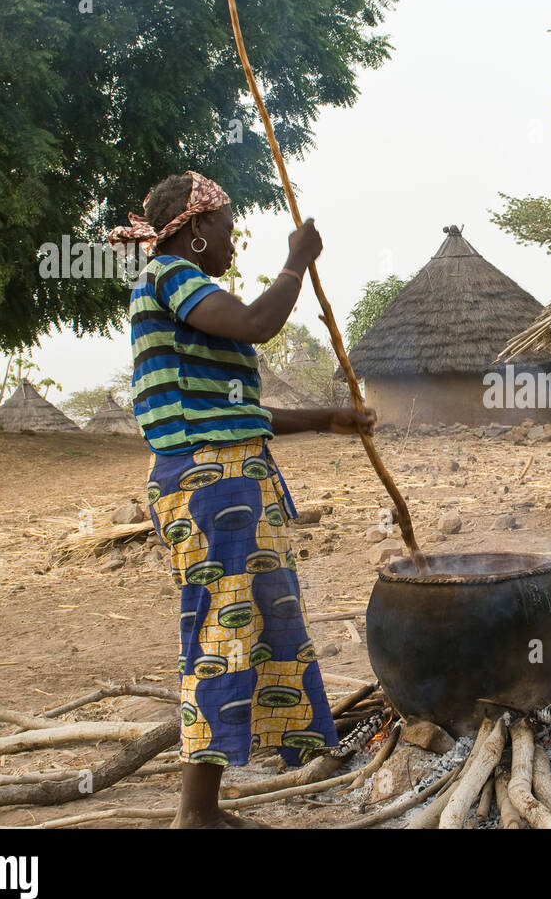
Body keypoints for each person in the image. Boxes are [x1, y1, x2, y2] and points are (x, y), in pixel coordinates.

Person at [108, 171, 375, 828]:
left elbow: (234, 414)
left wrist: (325, 419)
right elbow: (260, 323)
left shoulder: (187, 293)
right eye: (227, 227)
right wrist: (296, 262)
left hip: (231, 479)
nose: (233, 240)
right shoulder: (171, 278)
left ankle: (208, 806)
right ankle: (195, 815)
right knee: (222, 638)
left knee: (251, 630)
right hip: (211, 487)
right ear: (195, 229)